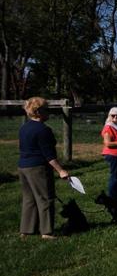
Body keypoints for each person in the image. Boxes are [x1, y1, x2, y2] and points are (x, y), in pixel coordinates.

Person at [18, 97, 69, 240]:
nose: (49, 112)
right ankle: (46, 231)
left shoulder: (24, 127)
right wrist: (61, 170)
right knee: (45, 199)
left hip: (23, 167)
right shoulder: (43, 130)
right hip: (37, 168)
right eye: (47, 109)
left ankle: (26, 230)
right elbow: (49, 156)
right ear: (38, 111)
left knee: (29, 199)